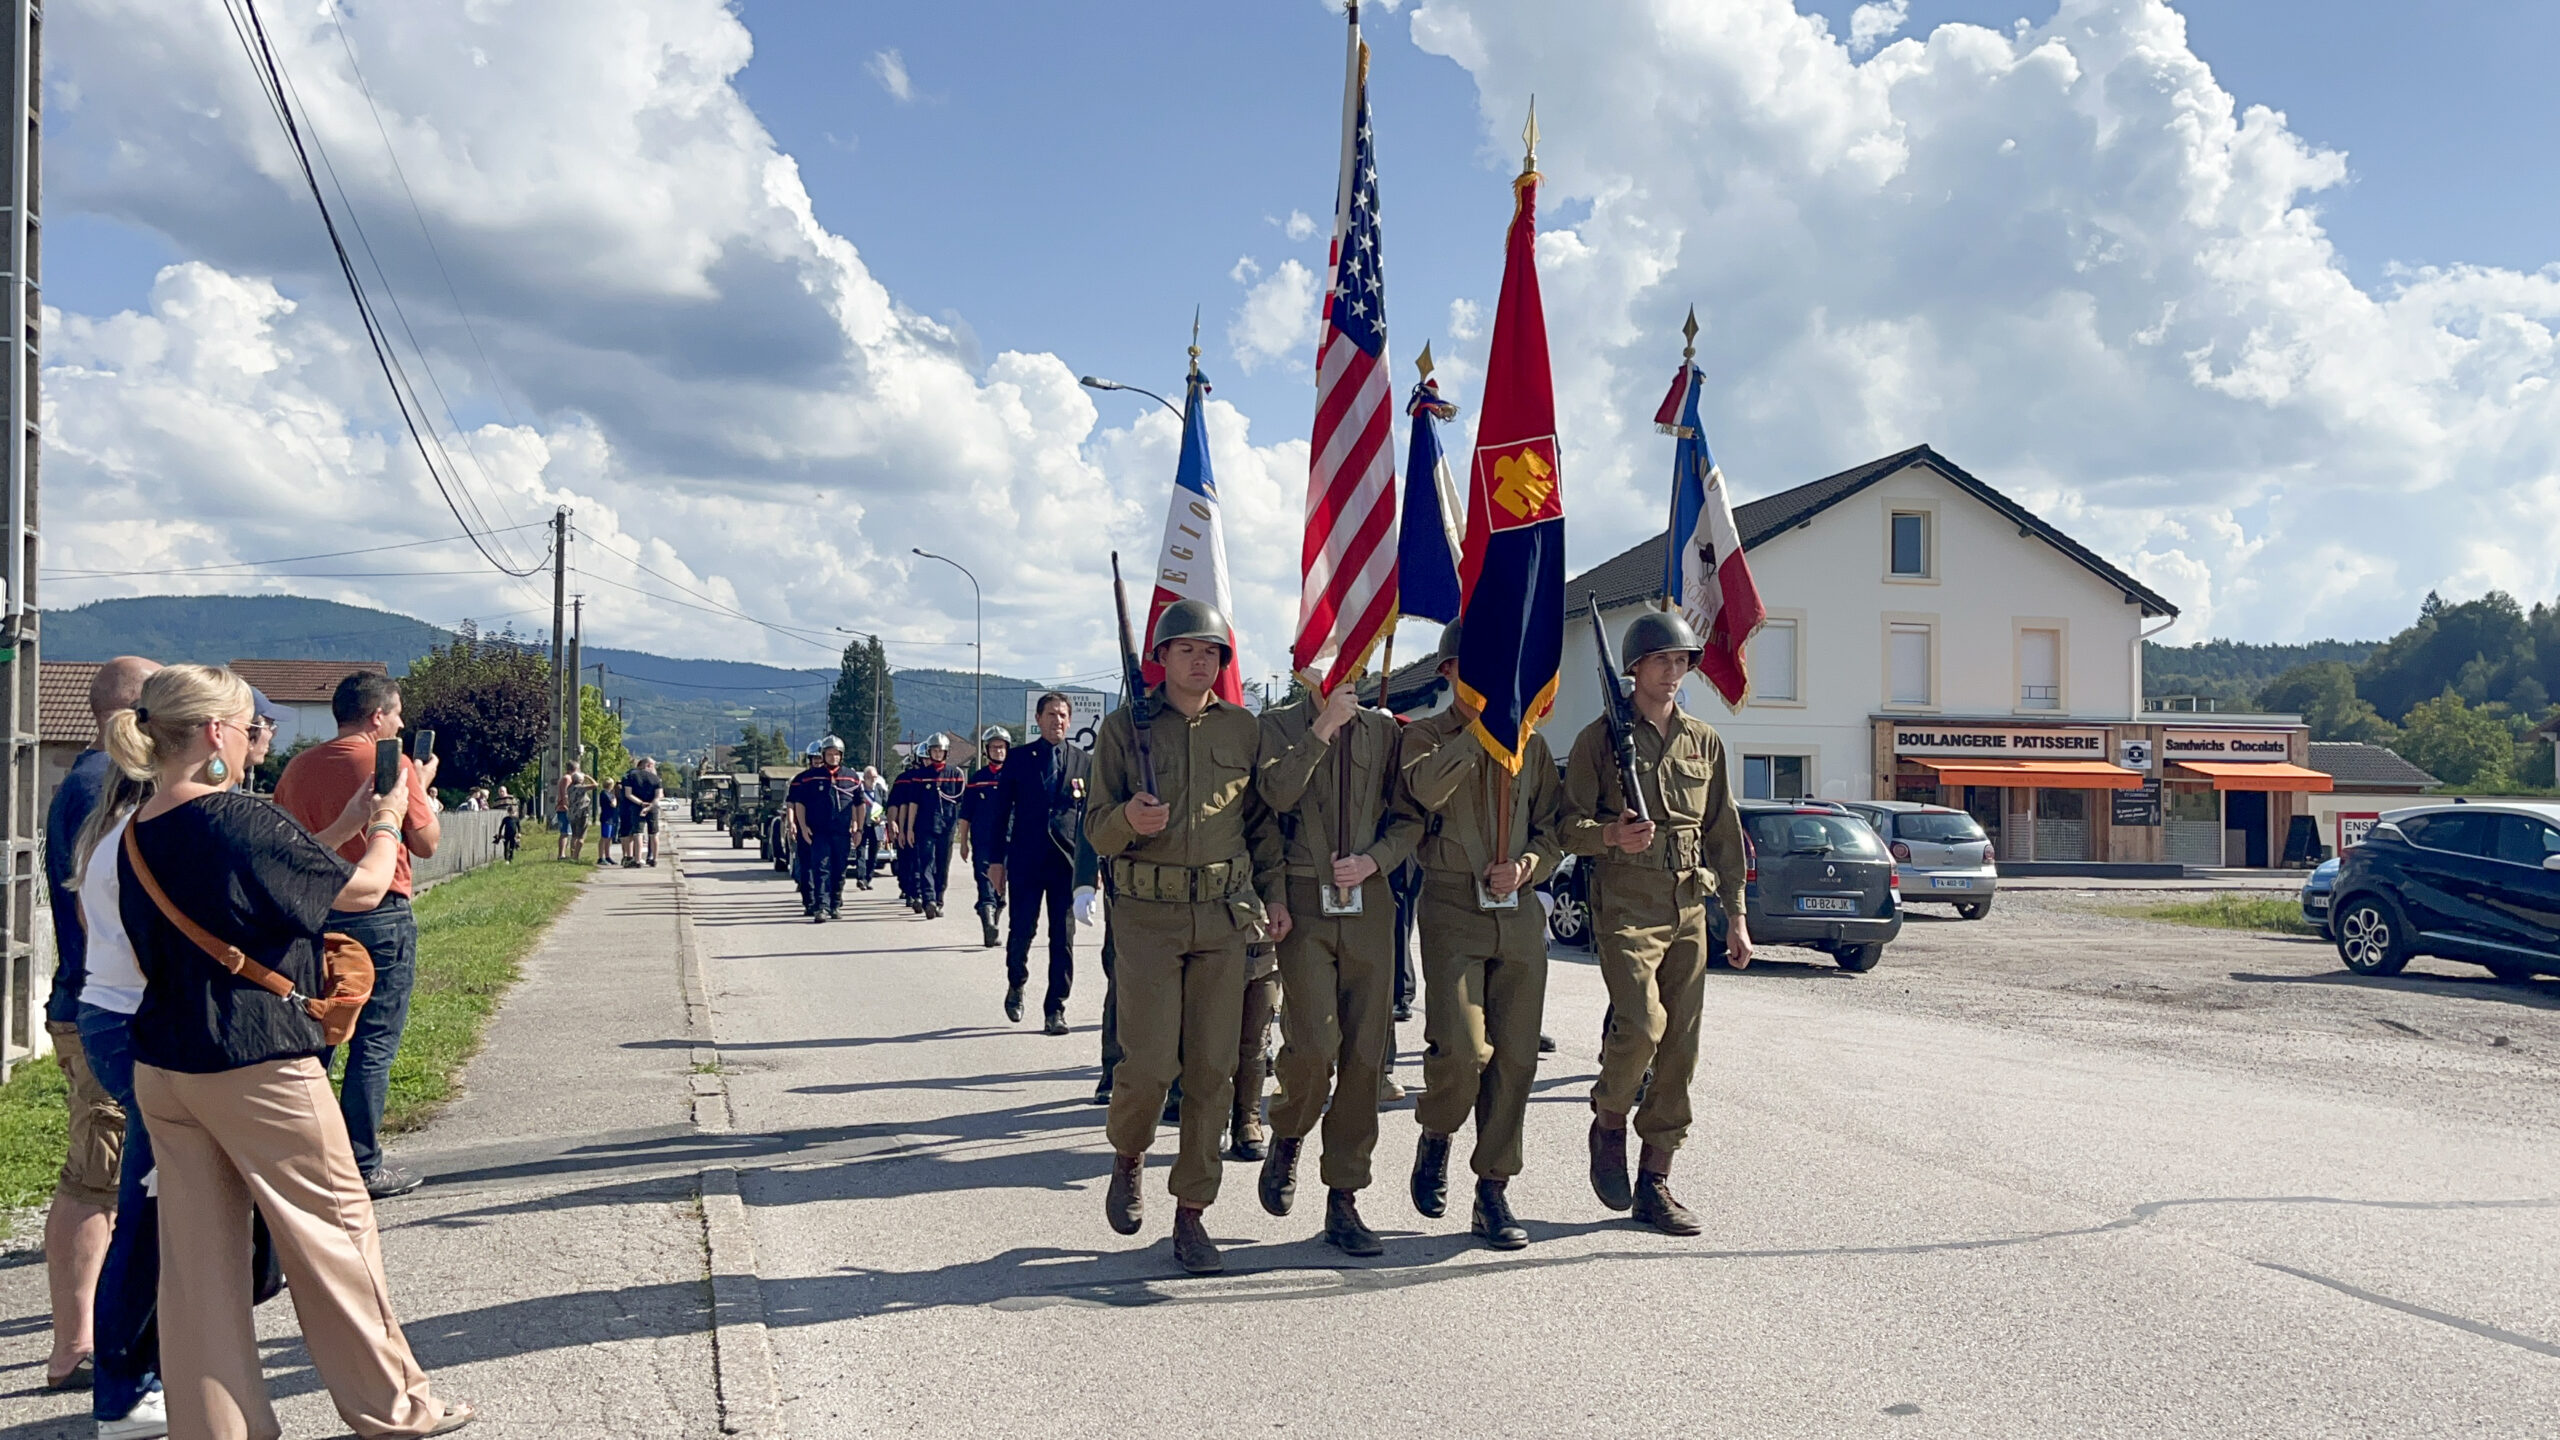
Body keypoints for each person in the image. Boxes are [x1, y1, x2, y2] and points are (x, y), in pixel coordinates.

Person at [110, 664, 476, 1439]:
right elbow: (363, 890)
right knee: (336, 1231)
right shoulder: (237, 816)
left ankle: (215, 1426)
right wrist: (385, 817)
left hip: (167, 1065)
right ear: (214, 733)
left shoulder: (141, 830)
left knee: (198, 1267)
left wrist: (340, 822)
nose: (252, 745)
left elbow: (269, 880)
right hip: (258, 1058)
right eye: (247, 730)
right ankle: (396, 1408)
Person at [1085, 599, 1284, 1276]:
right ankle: (1130, 1153)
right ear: (1162, 659)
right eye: (1187, 650)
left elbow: (1261, 826)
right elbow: (1093, 827)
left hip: (1223, 919)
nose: (1201, 661)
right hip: (1146, 919)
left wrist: (1275, 897)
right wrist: (1127, 822)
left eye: (1213, 653)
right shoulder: (1123, 729)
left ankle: (1192, 1214)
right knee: (1146, 1068)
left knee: (1212, 1072)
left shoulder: (1243, 730)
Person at [1561, 609, 1753, 1235]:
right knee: (1642, 1023)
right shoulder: (1598, 739)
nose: (1673, 672)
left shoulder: (1703, 740)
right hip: (1625, 902)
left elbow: (1724, 831)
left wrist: (1738, 917)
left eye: (1682, 661)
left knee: (1680, 1050)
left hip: (1690, 904)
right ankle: (1609, 1119)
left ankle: (1656, 1182)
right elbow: (1566, 827)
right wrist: (1611, 835)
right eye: (1661, 661)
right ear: (1634, 667)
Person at [1395, 621, 1563, 1251]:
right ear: (1448, 674)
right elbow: (1425, 790)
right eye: (1476, 666)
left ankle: (1492, 1190)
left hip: (1517, 915)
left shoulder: (1533, 747)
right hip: (1451, 910)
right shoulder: (1424, 739)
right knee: (1464, 1053)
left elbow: (1556, 826)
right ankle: (1437, 1133)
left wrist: (1529, 866)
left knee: (1517, 1060)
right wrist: (1479, 735)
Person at [1253, 676, 1419, 1256]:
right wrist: (1322, 729)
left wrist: (1375, 861)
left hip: (1368, 904)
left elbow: (1409, 818)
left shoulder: (1383, 731)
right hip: (1303, 901)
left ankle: (1344, 1195)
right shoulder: (1276, 726)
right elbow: (1269, 803)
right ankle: (1289, 1130)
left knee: (1365, 1055)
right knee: (1316, 1045)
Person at [273, 671, 442, 1201]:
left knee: (317, 1040)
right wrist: (422, 792)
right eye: (396, 713)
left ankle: (304, 1156)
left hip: (314, 918)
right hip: (379, 912)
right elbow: (427, 842)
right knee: (373, 1044)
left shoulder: (298, 768)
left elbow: (283, 839)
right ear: (377, 717)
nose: (401, 722)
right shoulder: (390, 762)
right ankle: (363, 1162)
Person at [39, 656, 158, 1404]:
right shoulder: (103, 786)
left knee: (102, 1170)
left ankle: (82, 1337)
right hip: (102, 1012)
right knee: (95, 1175)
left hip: (85, 1005)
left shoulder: (87, 778)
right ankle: (73, 1345)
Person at [986, 694, 1092, 1033]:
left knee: (1063, 937)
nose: (1056, 721)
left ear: (1069, 721)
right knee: (1022, 931)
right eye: (1050, 714)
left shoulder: (1083, 762)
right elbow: (1000, 814)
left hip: (1066, 863)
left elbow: (1090, 819)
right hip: (1026, 860)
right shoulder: (1018, 759)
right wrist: (994, 862)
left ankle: (1055, 1008)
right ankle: (1016, 983)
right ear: (1038, 717)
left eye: (1062, 715)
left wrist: (1093, 867)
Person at [786, 737, 867, 922]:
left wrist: (859, 828)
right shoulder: (810, 777)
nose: (833, 757)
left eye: (836, 754)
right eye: (829, 754)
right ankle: (820, 907)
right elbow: (800, 803)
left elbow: (859, 804)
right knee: (820, 868)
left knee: (839, 869)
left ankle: (835, 904)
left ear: (842, 756)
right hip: (818, 832)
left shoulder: (851, 776)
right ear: (823, 755)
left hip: (841, 832)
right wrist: (803, 826)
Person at [897, 736, 964, 919]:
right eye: (934, 750)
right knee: (926, 863)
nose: (937, 754)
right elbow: (913, 803)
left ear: (946, 752)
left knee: (942, 865)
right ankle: (929, 900)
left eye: (940, 751)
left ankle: (939, 899)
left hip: (947, 827)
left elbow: (961, 803)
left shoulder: (956, 775)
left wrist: (963, 830)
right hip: (925, 826)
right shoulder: (920, 776)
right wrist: (909, 828)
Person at [956, 729, 1011, 948]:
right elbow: (966, 813)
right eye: (994, 747)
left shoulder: (1017, 776)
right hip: (984, 840)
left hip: (1011, 841)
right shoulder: (977, 779)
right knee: (985, 884)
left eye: (1001, 746)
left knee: (1002, 890)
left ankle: (993, 922)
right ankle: (989, 924)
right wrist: (962, 843)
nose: (998, 750)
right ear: (986, 750)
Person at [622, 758, 663, 868]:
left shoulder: (631, 776)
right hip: (652, 807)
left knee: (638, 833)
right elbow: (658, 796)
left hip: (636, 807)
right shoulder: (656, 778)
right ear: (649, 765)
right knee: (654, 833)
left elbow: (628, 794)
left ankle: (638, 859)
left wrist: (641, 804)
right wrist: (650, 806)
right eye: (653, 765)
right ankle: (654, 859)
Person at [853, 765, 886, 889]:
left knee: (874, 854)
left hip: (876, 826)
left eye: (875, 777)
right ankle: (861, 878)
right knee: (860, 852)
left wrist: (881, 818)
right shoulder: (859, 791)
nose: (873, 780)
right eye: (870, 777)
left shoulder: (880, 790)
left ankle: (868, 879)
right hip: (862, 825)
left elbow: (887, 806)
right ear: (865, 778)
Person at [555, 764, 595, 862]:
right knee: (569, 833)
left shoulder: (570, 785)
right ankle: (569, 855)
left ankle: (572, 854)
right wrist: (587, 776)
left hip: (572, 812)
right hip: (577, 812)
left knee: (572, 834)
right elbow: (595, 785)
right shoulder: (568, 779)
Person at [596, 776, 621, 866]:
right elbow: (613, 804)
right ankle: (600, 857)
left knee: (609, 838)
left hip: (611, 817)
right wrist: (615, 797)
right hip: (606, 817)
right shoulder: (605, 793)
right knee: (604, 837)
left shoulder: (610, 794)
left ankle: (607, 856)